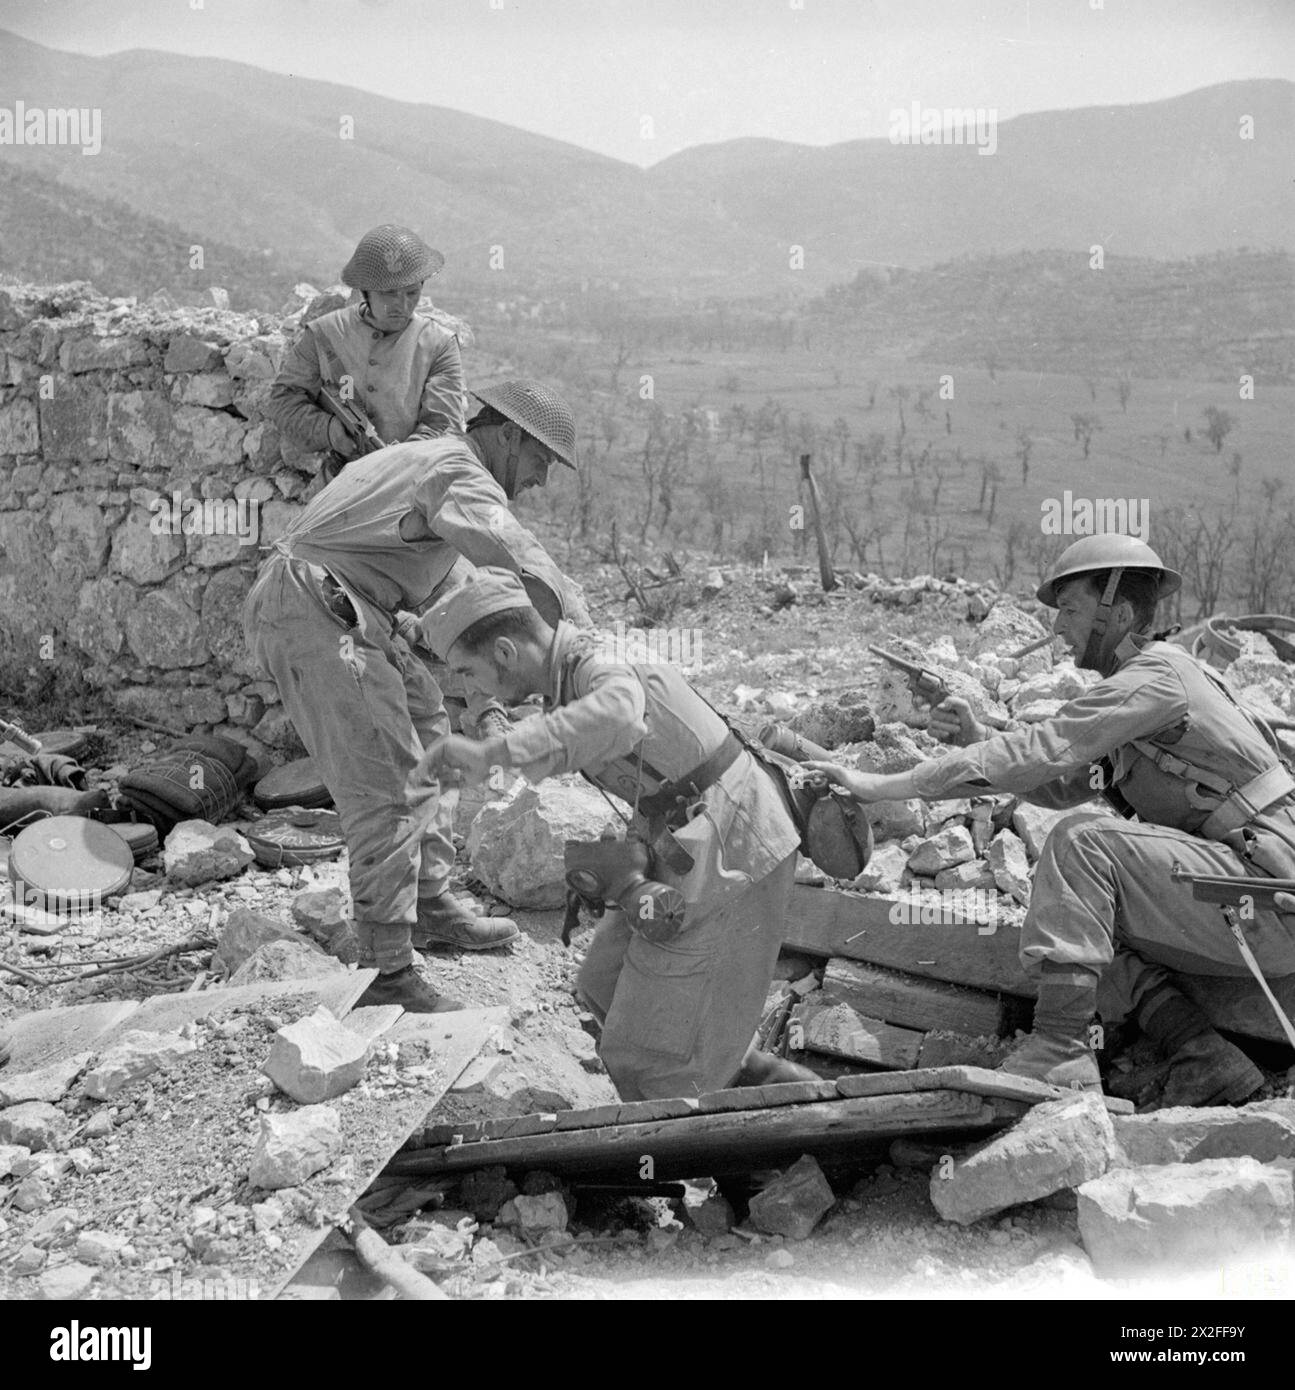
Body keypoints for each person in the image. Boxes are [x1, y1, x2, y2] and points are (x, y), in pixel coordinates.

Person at [805, 534, 1295, 1105]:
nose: (1058, 629)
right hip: (1239, 893)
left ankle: (1061, 1050)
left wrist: (880, 786)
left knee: (1084, 848)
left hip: (1269, 896)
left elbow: (1045, 750)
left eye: (1071, 610)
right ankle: (1204, 1055)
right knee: (1084, 914)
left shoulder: (1156, 677)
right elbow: (1064, 782)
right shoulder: (1141, 692)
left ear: (1120, 612)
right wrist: (977, 737)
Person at [242, 381, 590, 1013]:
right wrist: (583, 632)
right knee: (387, 786)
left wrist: (488, 704)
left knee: (431, 734)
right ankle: (385, 969)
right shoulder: (456, 469)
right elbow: (517, 556)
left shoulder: (430, 468)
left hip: (350, 610)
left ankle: (427, 903)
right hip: (319, 609)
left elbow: (466, 611)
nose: (540, 479)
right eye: (542, 460)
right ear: (510, 435)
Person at [419, 566, 818, 1101]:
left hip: (734, 849)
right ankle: (745, 1081)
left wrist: (495, 753)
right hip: (677, 841)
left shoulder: (599, 664)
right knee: (603, 986)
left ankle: (755, 1154)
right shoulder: (565, 678)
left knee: (654, 1051)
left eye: (468, 672)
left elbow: (620, 717)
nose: (469, 691)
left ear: (507, 652)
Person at [268, 225, 466, 479]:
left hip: (408, 486)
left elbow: (444, 425)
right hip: (338, 483)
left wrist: (399, 459)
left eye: (412, 293)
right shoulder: (324, 334)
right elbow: (284, 400)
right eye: (388, 294)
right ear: (365, 291)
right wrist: (329, 431)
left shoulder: (440, 345)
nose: (401, 305)